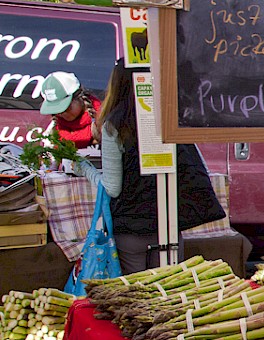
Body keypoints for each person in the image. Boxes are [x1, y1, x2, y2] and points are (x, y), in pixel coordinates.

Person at [74, 61, 226, 274]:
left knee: (136, 296)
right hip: (168, 227)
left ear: (117, 85)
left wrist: (85, 168)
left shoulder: (113, 126)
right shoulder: (171, 121)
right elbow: (197, 167)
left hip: (131, 231)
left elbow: (112, 188)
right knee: (169, 295)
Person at [39, 71, 103, 151]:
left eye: (66, 108)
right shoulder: (53, 131)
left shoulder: (105, 120)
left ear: (80, 97)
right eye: (56, 111)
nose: (61, 114)